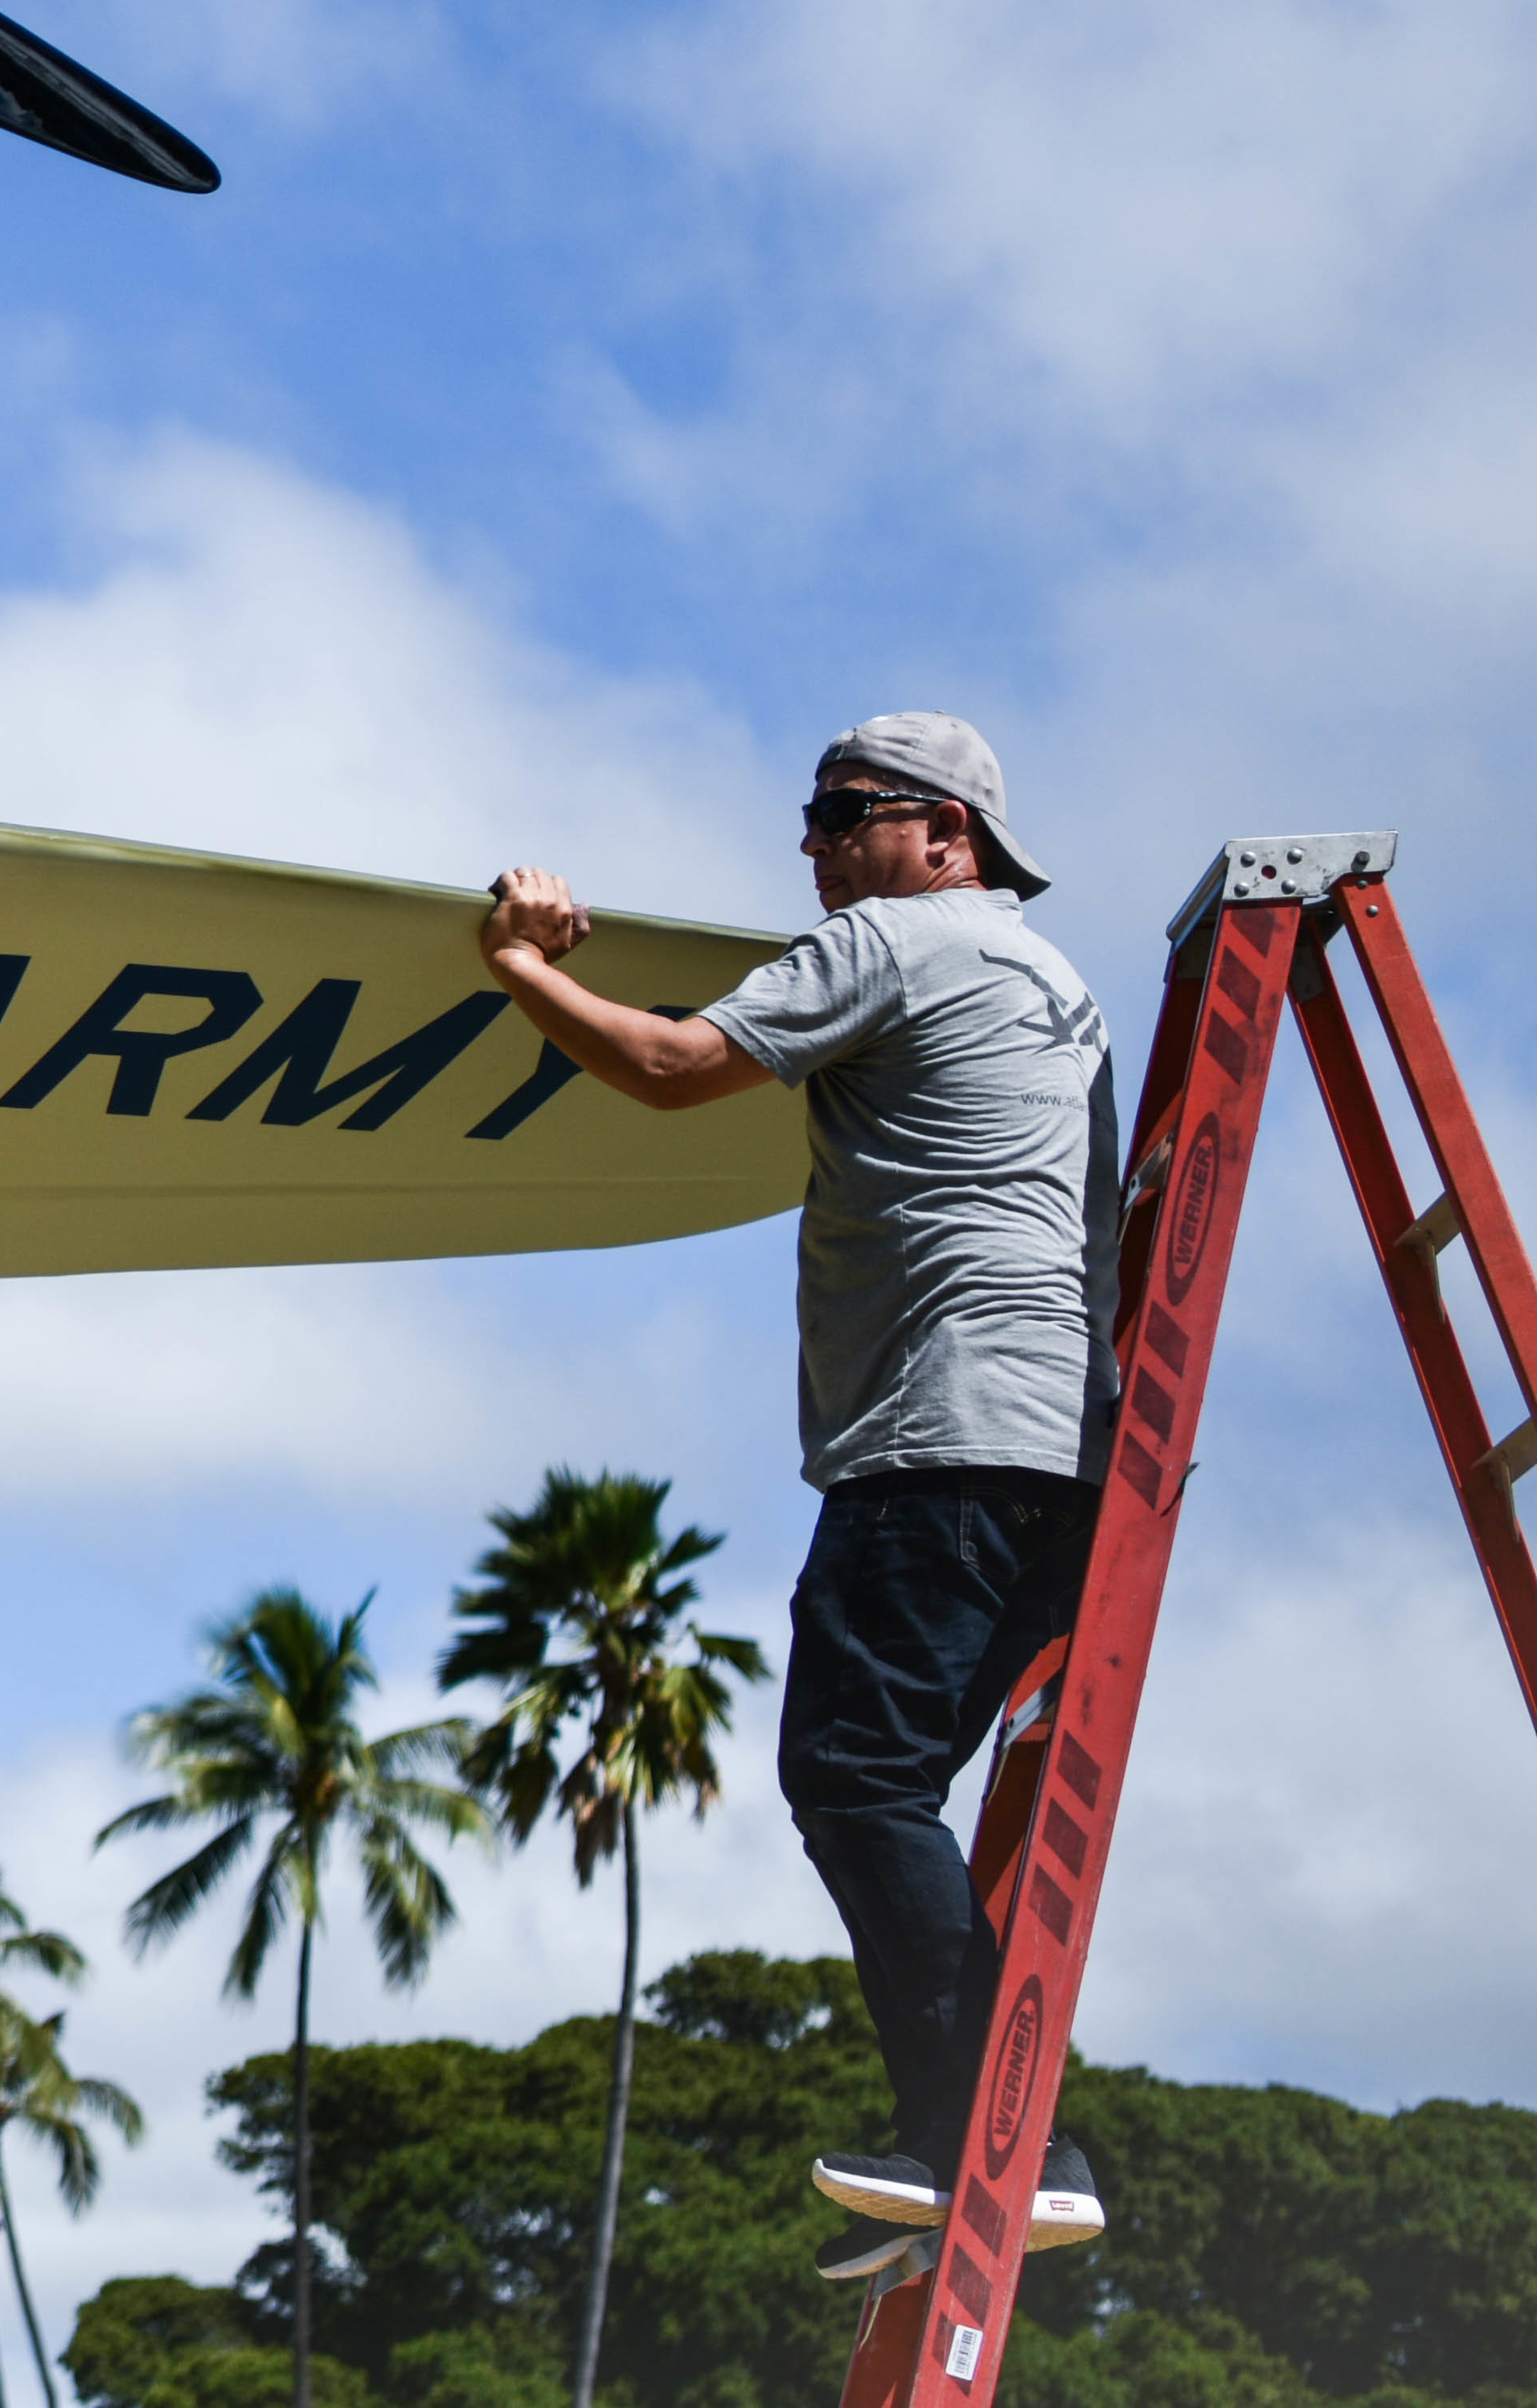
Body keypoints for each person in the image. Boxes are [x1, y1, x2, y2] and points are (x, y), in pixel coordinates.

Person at [478, 709, 1116, 2275]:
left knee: (849, 1775)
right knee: (895, 1786)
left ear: (943, 833)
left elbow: (669, 1062)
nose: (815, 844)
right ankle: (958, 2148)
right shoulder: (1059, 989)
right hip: (1058, 1457)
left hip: (935, 1439)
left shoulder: (892, 944)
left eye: (843, 812)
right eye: (813, 814)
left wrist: (520, 965)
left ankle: (995, 2141)